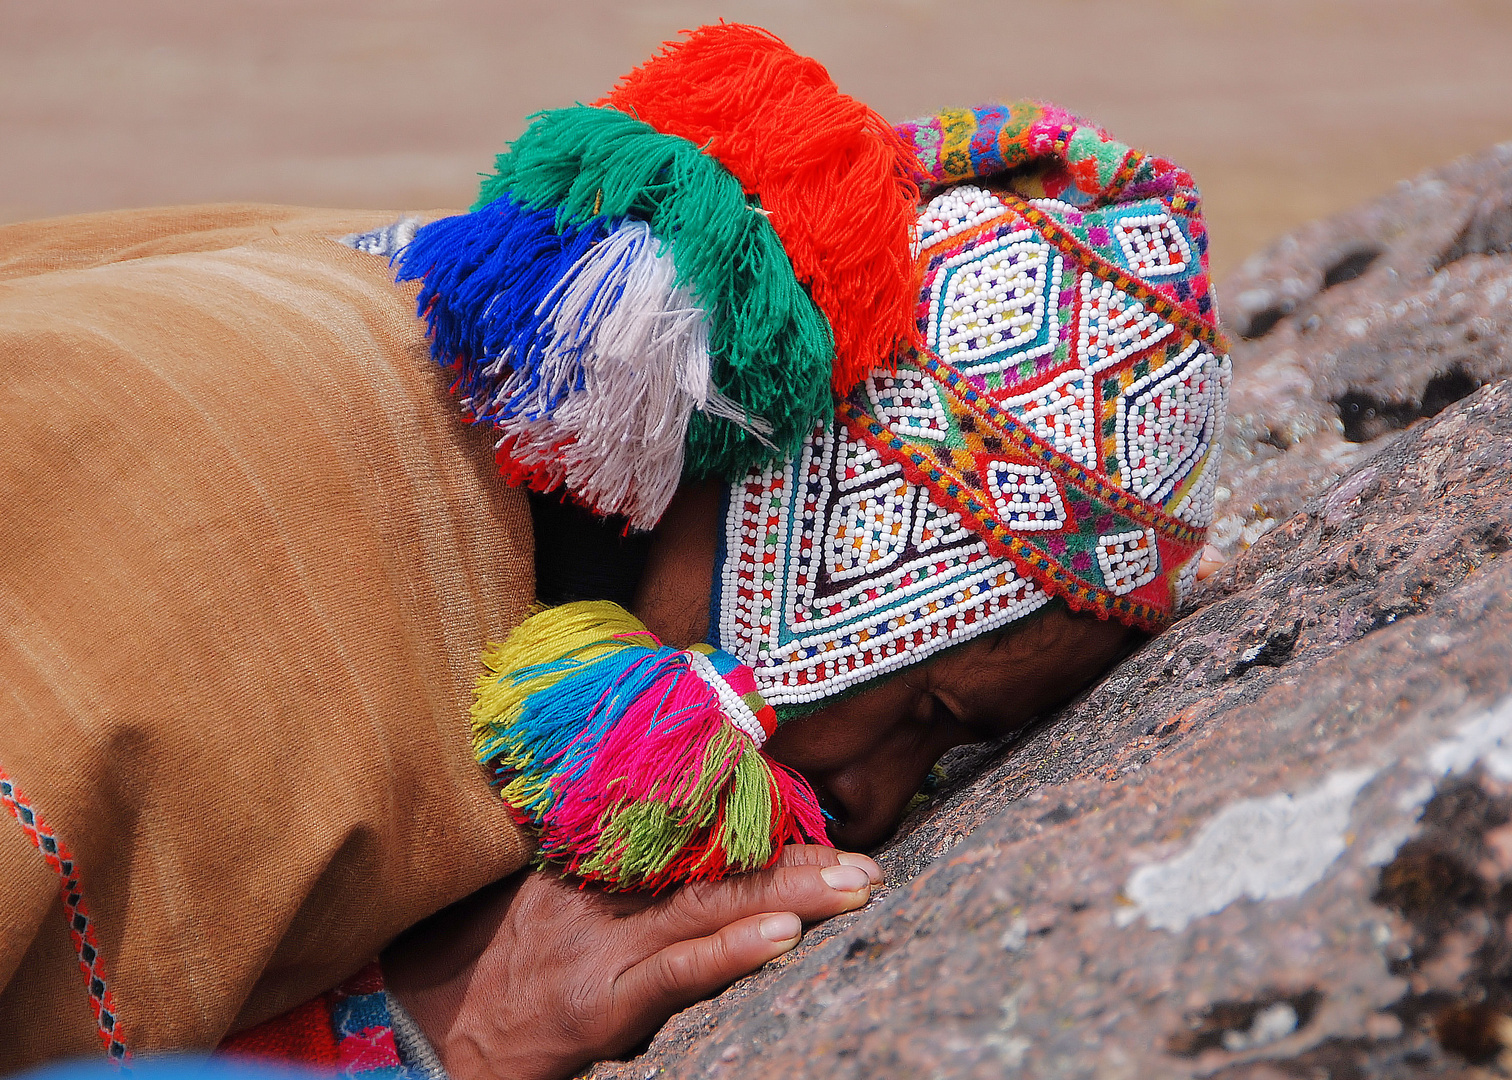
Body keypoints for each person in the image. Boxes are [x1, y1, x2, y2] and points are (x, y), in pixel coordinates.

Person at [0, 24, 1229, 1080]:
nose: (873, 797)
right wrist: (432, 1033)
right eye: (931, 702)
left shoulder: (440, 339)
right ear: (810, 530)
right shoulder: (261, 496)